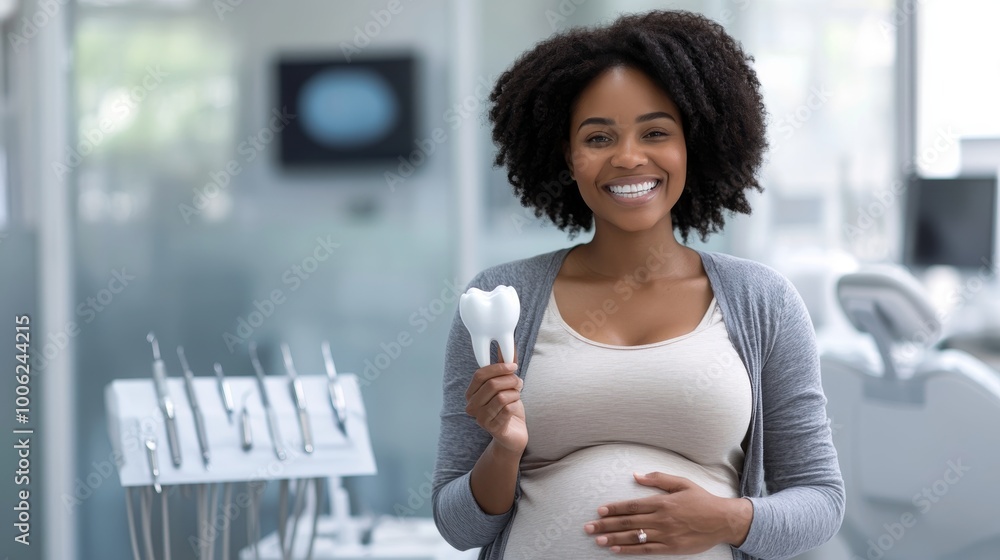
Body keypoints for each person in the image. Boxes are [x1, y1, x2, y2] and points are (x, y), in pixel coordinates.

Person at [432, 10, 844, 559]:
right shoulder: (500, 302)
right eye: (599, 136)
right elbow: (459, 528)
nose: (628, 157)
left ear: (692, 145)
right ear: (567, 157)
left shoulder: (762, 302)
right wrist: (504, 452)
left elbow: (821, 500)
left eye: (655, 132)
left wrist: (729, 519)